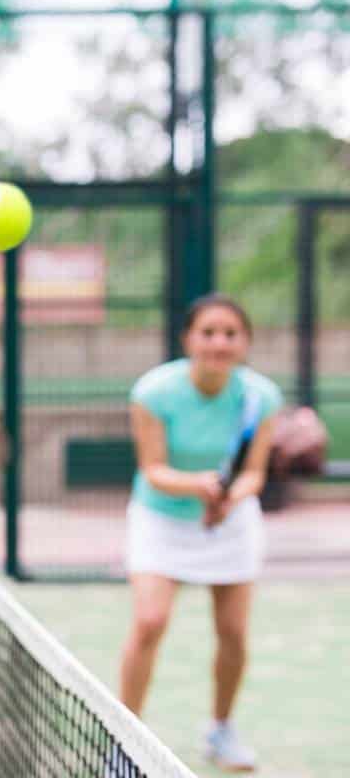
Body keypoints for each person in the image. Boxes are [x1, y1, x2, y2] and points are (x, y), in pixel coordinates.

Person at [118, 294, 282, 773]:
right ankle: (122, 739)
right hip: (161, 519)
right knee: (149, 621)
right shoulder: (153, 392)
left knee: (233, 631)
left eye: (231, 334)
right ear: (188, 339)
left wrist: (230, 498)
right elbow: (152, 469)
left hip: (230, 523)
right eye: (208, 332)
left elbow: (255, 473)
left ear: (245, 343)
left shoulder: (261, 397)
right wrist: (199, 487)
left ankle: (221, 729)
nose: (219, 342)